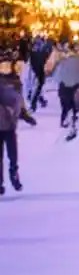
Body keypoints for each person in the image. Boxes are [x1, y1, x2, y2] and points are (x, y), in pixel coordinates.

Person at [0, 52, 38, 194]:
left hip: (10, 124)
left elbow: (19, 102)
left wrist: (25, 115)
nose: (5, 67)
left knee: (12, 155)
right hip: (5, 121)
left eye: (7, 65)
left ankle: (14, 175)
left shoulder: (16, 82)